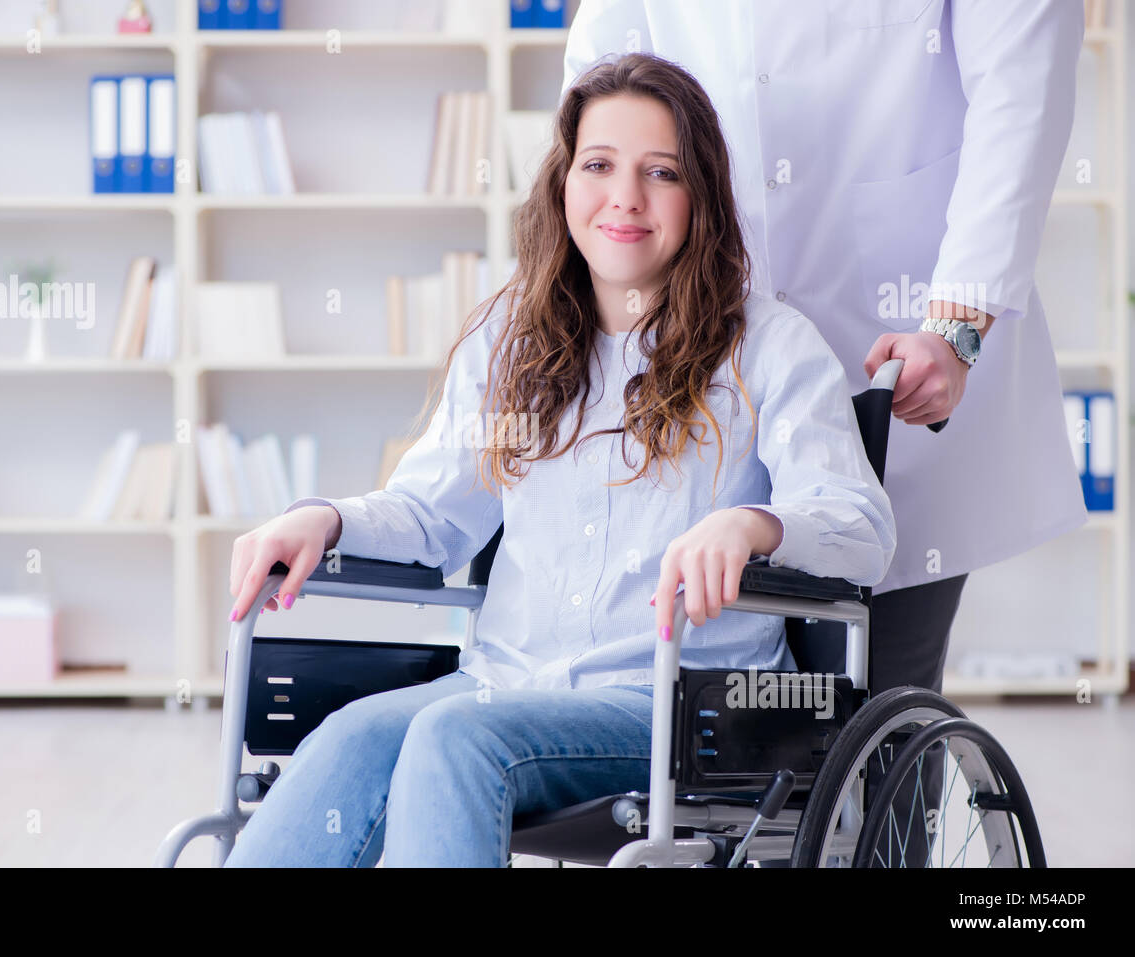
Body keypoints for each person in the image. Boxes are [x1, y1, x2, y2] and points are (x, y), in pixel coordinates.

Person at [222, 54, 895, 868]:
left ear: (702, 199)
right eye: (599, 165)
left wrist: (751, 525)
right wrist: (322, 518)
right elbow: (434, 515)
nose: (625, 197)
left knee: (453, 736)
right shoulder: (513, 342)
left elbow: (860, 527)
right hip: (502, 686)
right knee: (353, 734)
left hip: (675, 705)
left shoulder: (767, 345)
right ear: (563, 182)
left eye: (662, 172)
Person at [560, 0, 1087, 869]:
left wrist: (956, 325)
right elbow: (602, 86)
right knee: (705, 732)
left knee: (866, 729)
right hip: (696, 354)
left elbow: (1019, 97)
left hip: (898, 362)